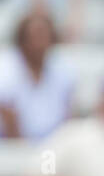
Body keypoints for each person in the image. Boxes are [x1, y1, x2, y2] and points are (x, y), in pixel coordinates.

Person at [0, 9, 74, 139]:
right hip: (12, 149)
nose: (41, 42)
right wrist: (30, 155)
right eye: (36, 36)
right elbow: (9, 123)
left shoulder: (62, 69)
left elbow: (68, 118)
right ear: (22, 40)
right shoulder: (6, 69)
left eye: (46, 36)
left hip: (52, 148)